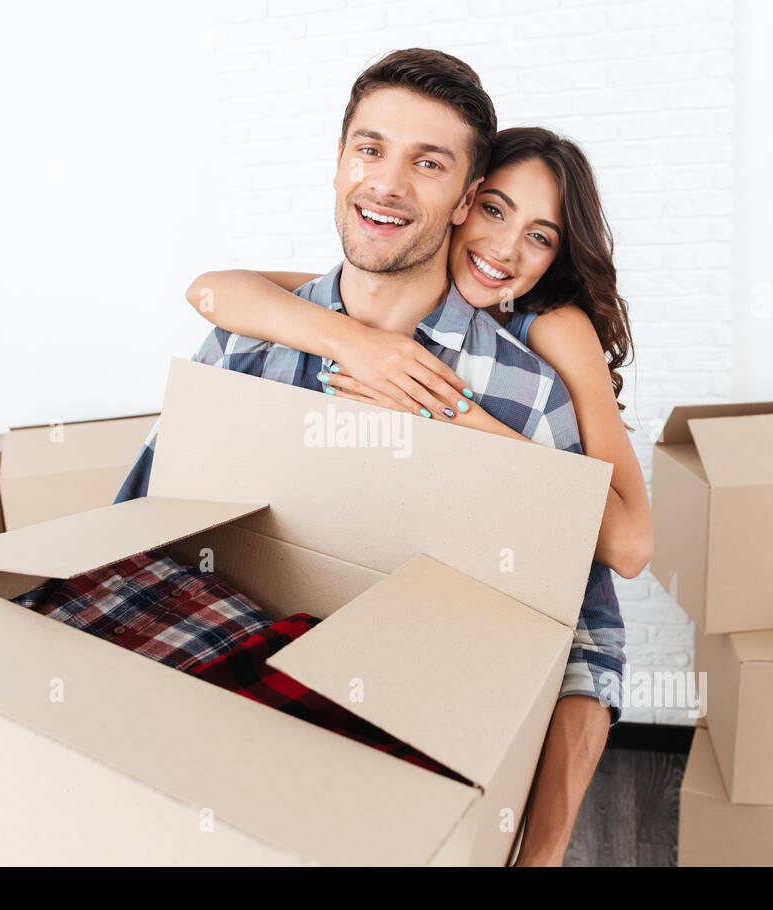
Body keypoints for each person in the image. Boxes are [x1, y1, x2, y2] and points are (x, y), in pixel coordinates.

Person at [116, 47, 650, 867]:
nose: (389, 185)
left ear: (460, 197)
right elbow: (133, 534)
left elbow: (591, 613)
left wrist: (540, 849)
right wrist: (349, 342)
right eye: (370, 150)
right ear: (338, 162)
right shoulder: (251, 335)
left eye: (427, 164)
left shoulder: (534, 382)